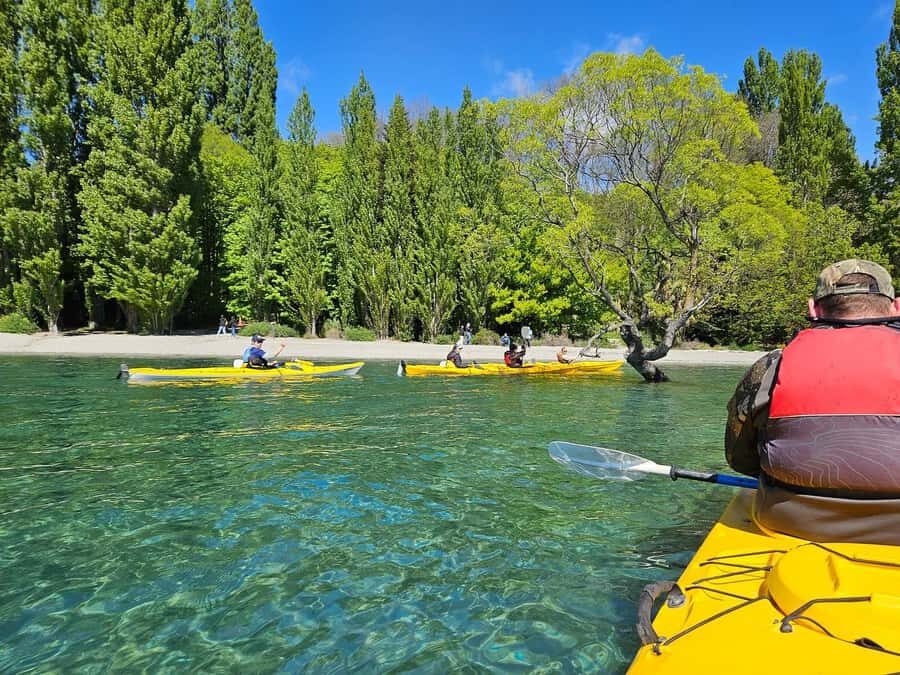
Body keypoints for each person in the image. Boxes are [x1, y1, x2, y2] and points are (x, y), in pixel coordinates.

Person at [725, 259, 900, 545]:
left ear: (813, 309)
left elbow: (739, 459)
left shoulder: (772, 366)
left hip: (790, 523)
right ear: (896, 307)